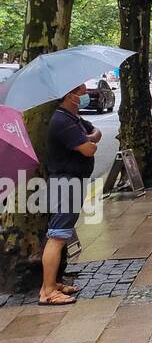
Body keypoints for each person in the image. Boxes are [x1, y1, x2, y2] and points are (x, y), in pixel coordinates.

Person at [39, 83, 101, 305]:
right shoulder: (63, 121)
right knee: (57, 235)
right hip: (66, 182)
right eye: (81, 91)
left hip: (73, 181)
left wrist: (89, 138)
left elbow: (96, 133)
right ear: (69, 95)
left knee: (60, 234)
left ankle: (53, 283)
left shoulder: (73, 118)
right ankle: (47, 291)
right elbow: (88, 148)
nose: (85, 94)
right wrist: (89, 140)